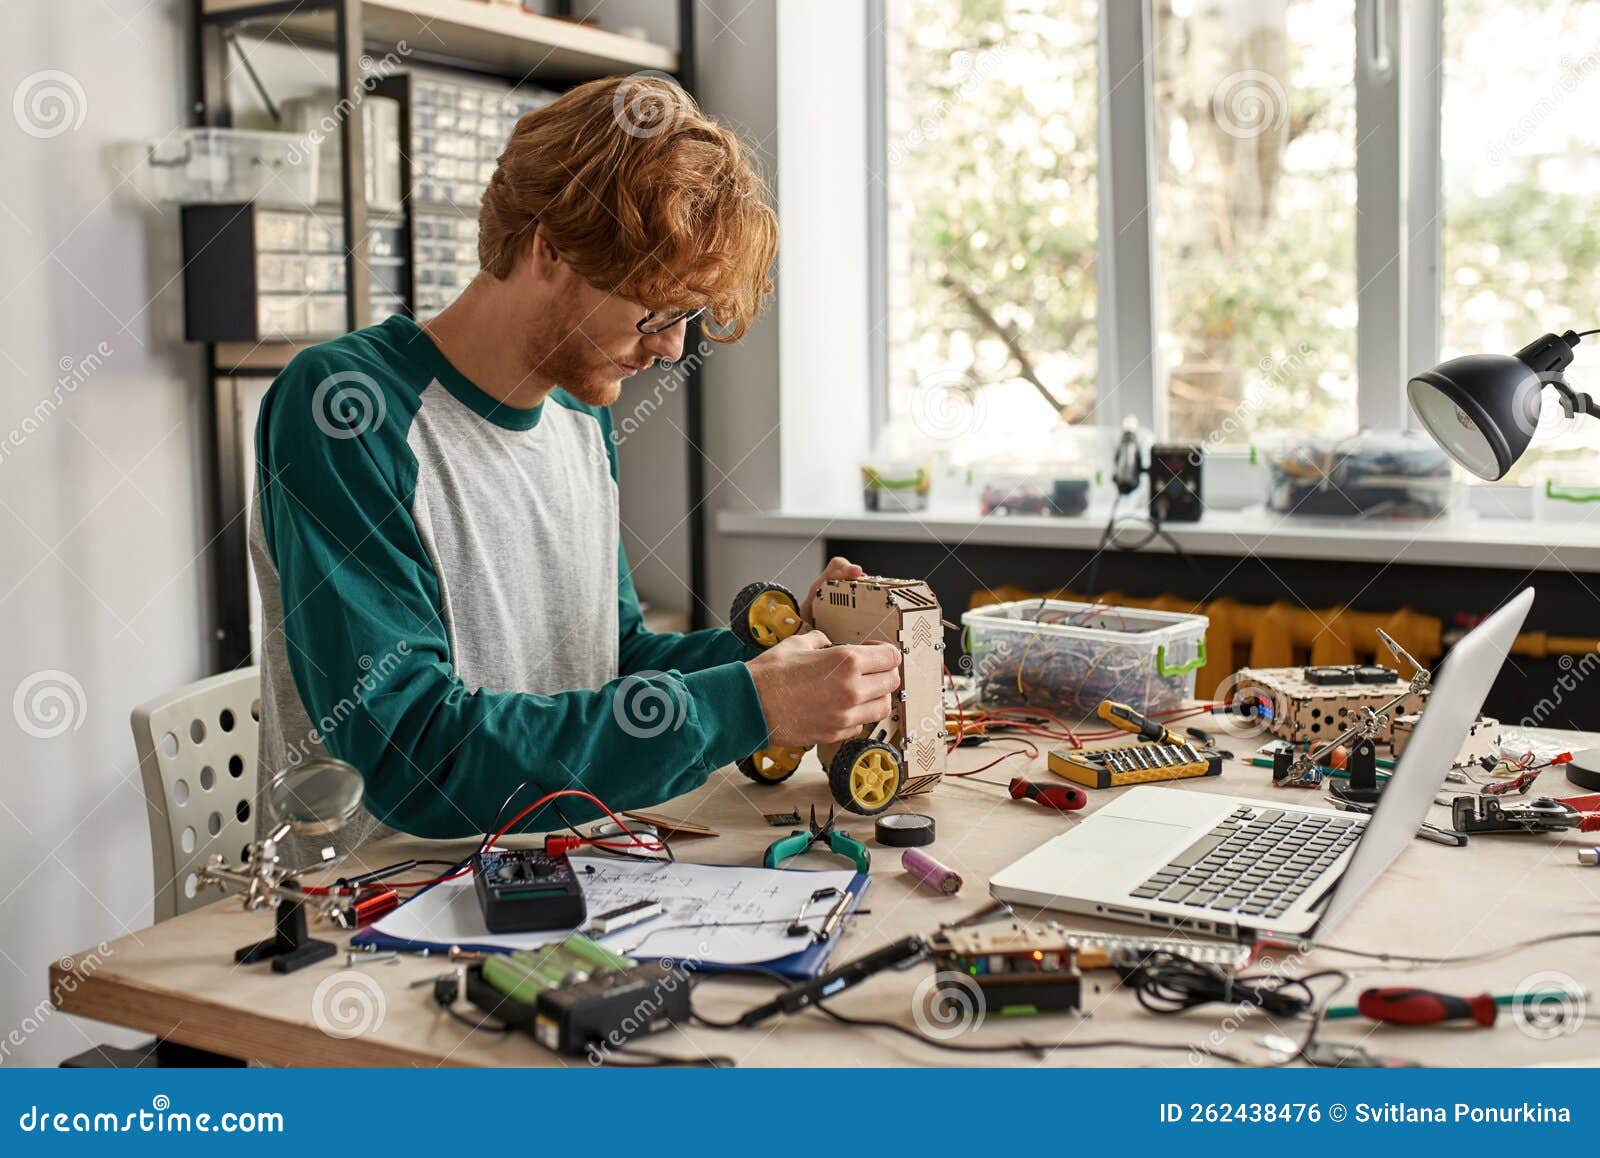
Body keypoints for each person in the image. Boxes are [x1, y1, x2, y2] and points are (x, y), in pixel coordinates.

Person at [248, 75, 901, 845]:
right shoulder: (346, 410)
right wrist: (750, 705)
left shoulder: (578, 414)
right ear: (549, 248)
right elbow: (412, 752)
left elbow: (610, 663)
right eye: (654, 308)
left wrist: (780, 649)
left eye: (685, 315)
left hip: (568, 868)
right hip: (380, 907)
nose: (671, 348)